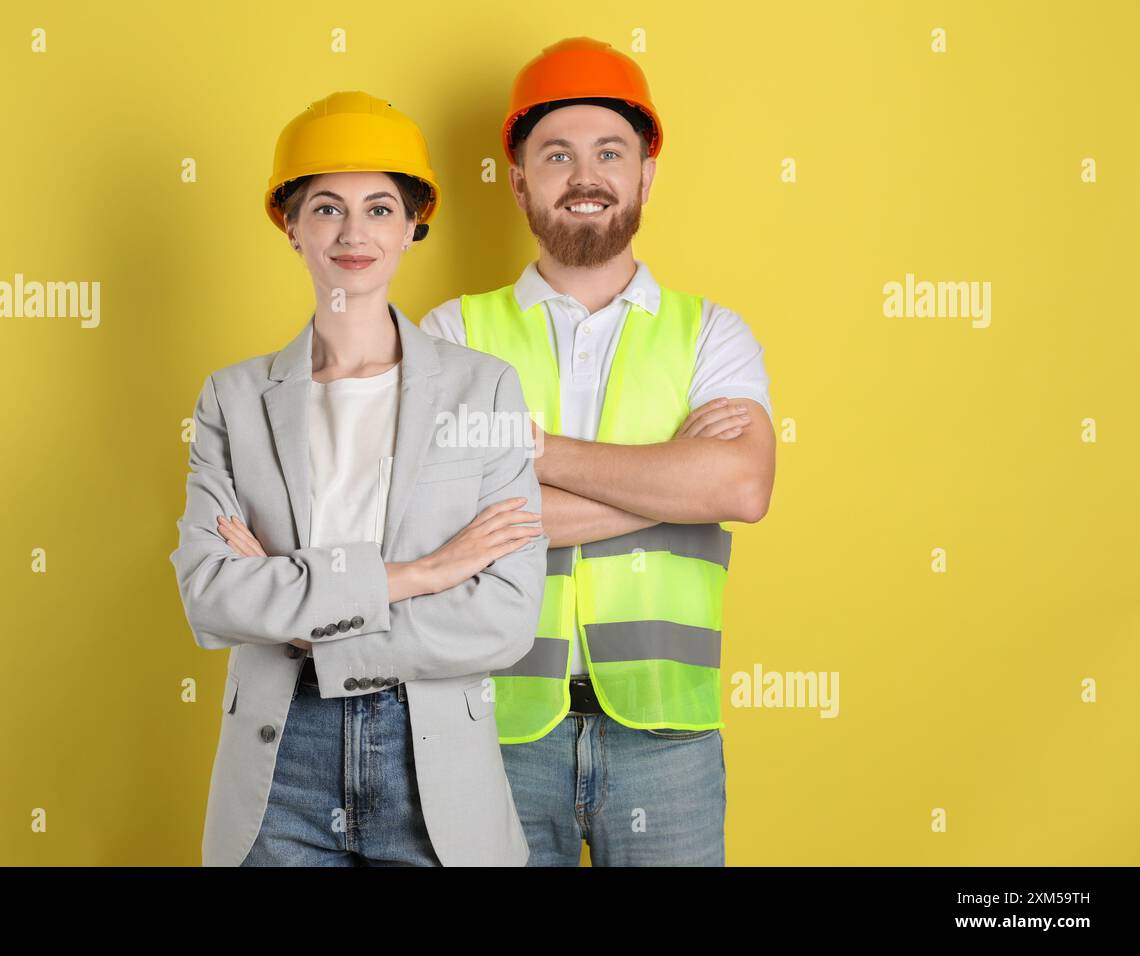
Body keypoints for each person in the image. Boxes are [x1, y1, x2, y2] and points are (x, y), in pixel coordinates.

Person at [419, 38, 777, 866]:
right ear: (519, 182)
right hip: (490, 728)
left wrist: (528, 451)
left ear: (646, 174)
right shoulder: (452, 335)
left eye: (610, 153)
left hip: (667, 734)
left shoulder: (711, 335)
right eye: (557, 155)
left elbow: (743, 486)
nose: (586, 177)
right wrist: (667, 481)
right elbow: (436, 521)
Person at [169, 91, 547, 866]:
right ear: (291, 226)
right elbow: (209, 592)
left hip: (434, 756)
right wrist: (422, 573)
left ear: (412, 226)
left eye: (380, 208)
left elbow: (505, 616)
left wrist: (298, 616)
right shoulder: (232, 400)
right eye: (326, 208)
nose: (353, 232)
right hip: (280, 764)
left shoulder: (488, 389)